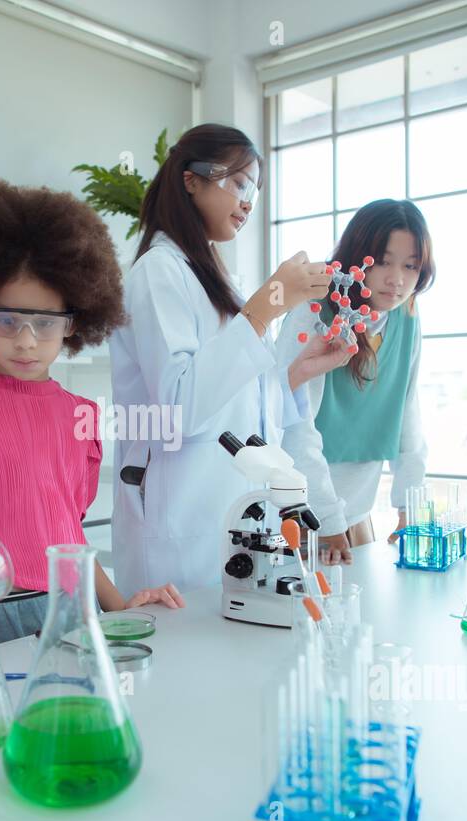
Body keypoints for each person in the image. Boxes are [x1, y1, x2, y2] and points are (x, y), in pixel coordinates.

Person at [0, 180, 184, 659]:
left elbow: (67, 537)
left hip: (75, 613)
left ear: (74, 322)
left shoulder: (79, 418)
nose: (26, 341)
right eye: (7, 320)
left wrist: (121, 609)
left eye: (45, 323)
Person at [110, 124, 353, 596]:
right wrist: (270, 304)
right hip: (177, 527)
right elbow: (179, 409)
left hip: (226, 517)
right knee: (183, 659)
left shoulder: (214, 277)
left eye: (254, 192)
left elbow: (246, 414)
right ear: (191, 179)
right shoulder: (158, 273)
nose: (248, 203)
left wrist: (302, 369)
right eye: (239, 183)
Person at [276, 199, 435, 564]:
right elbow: (294, 426)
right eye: (382, 261)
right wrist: (327, 519)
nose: (397, 279)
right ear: (357, 257)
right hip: (301, 514)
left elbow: (407, 412)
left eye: (411, 266)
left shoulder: (406, 316)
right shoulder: (316, 310)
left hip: (355, 515)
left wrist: (410, 504)